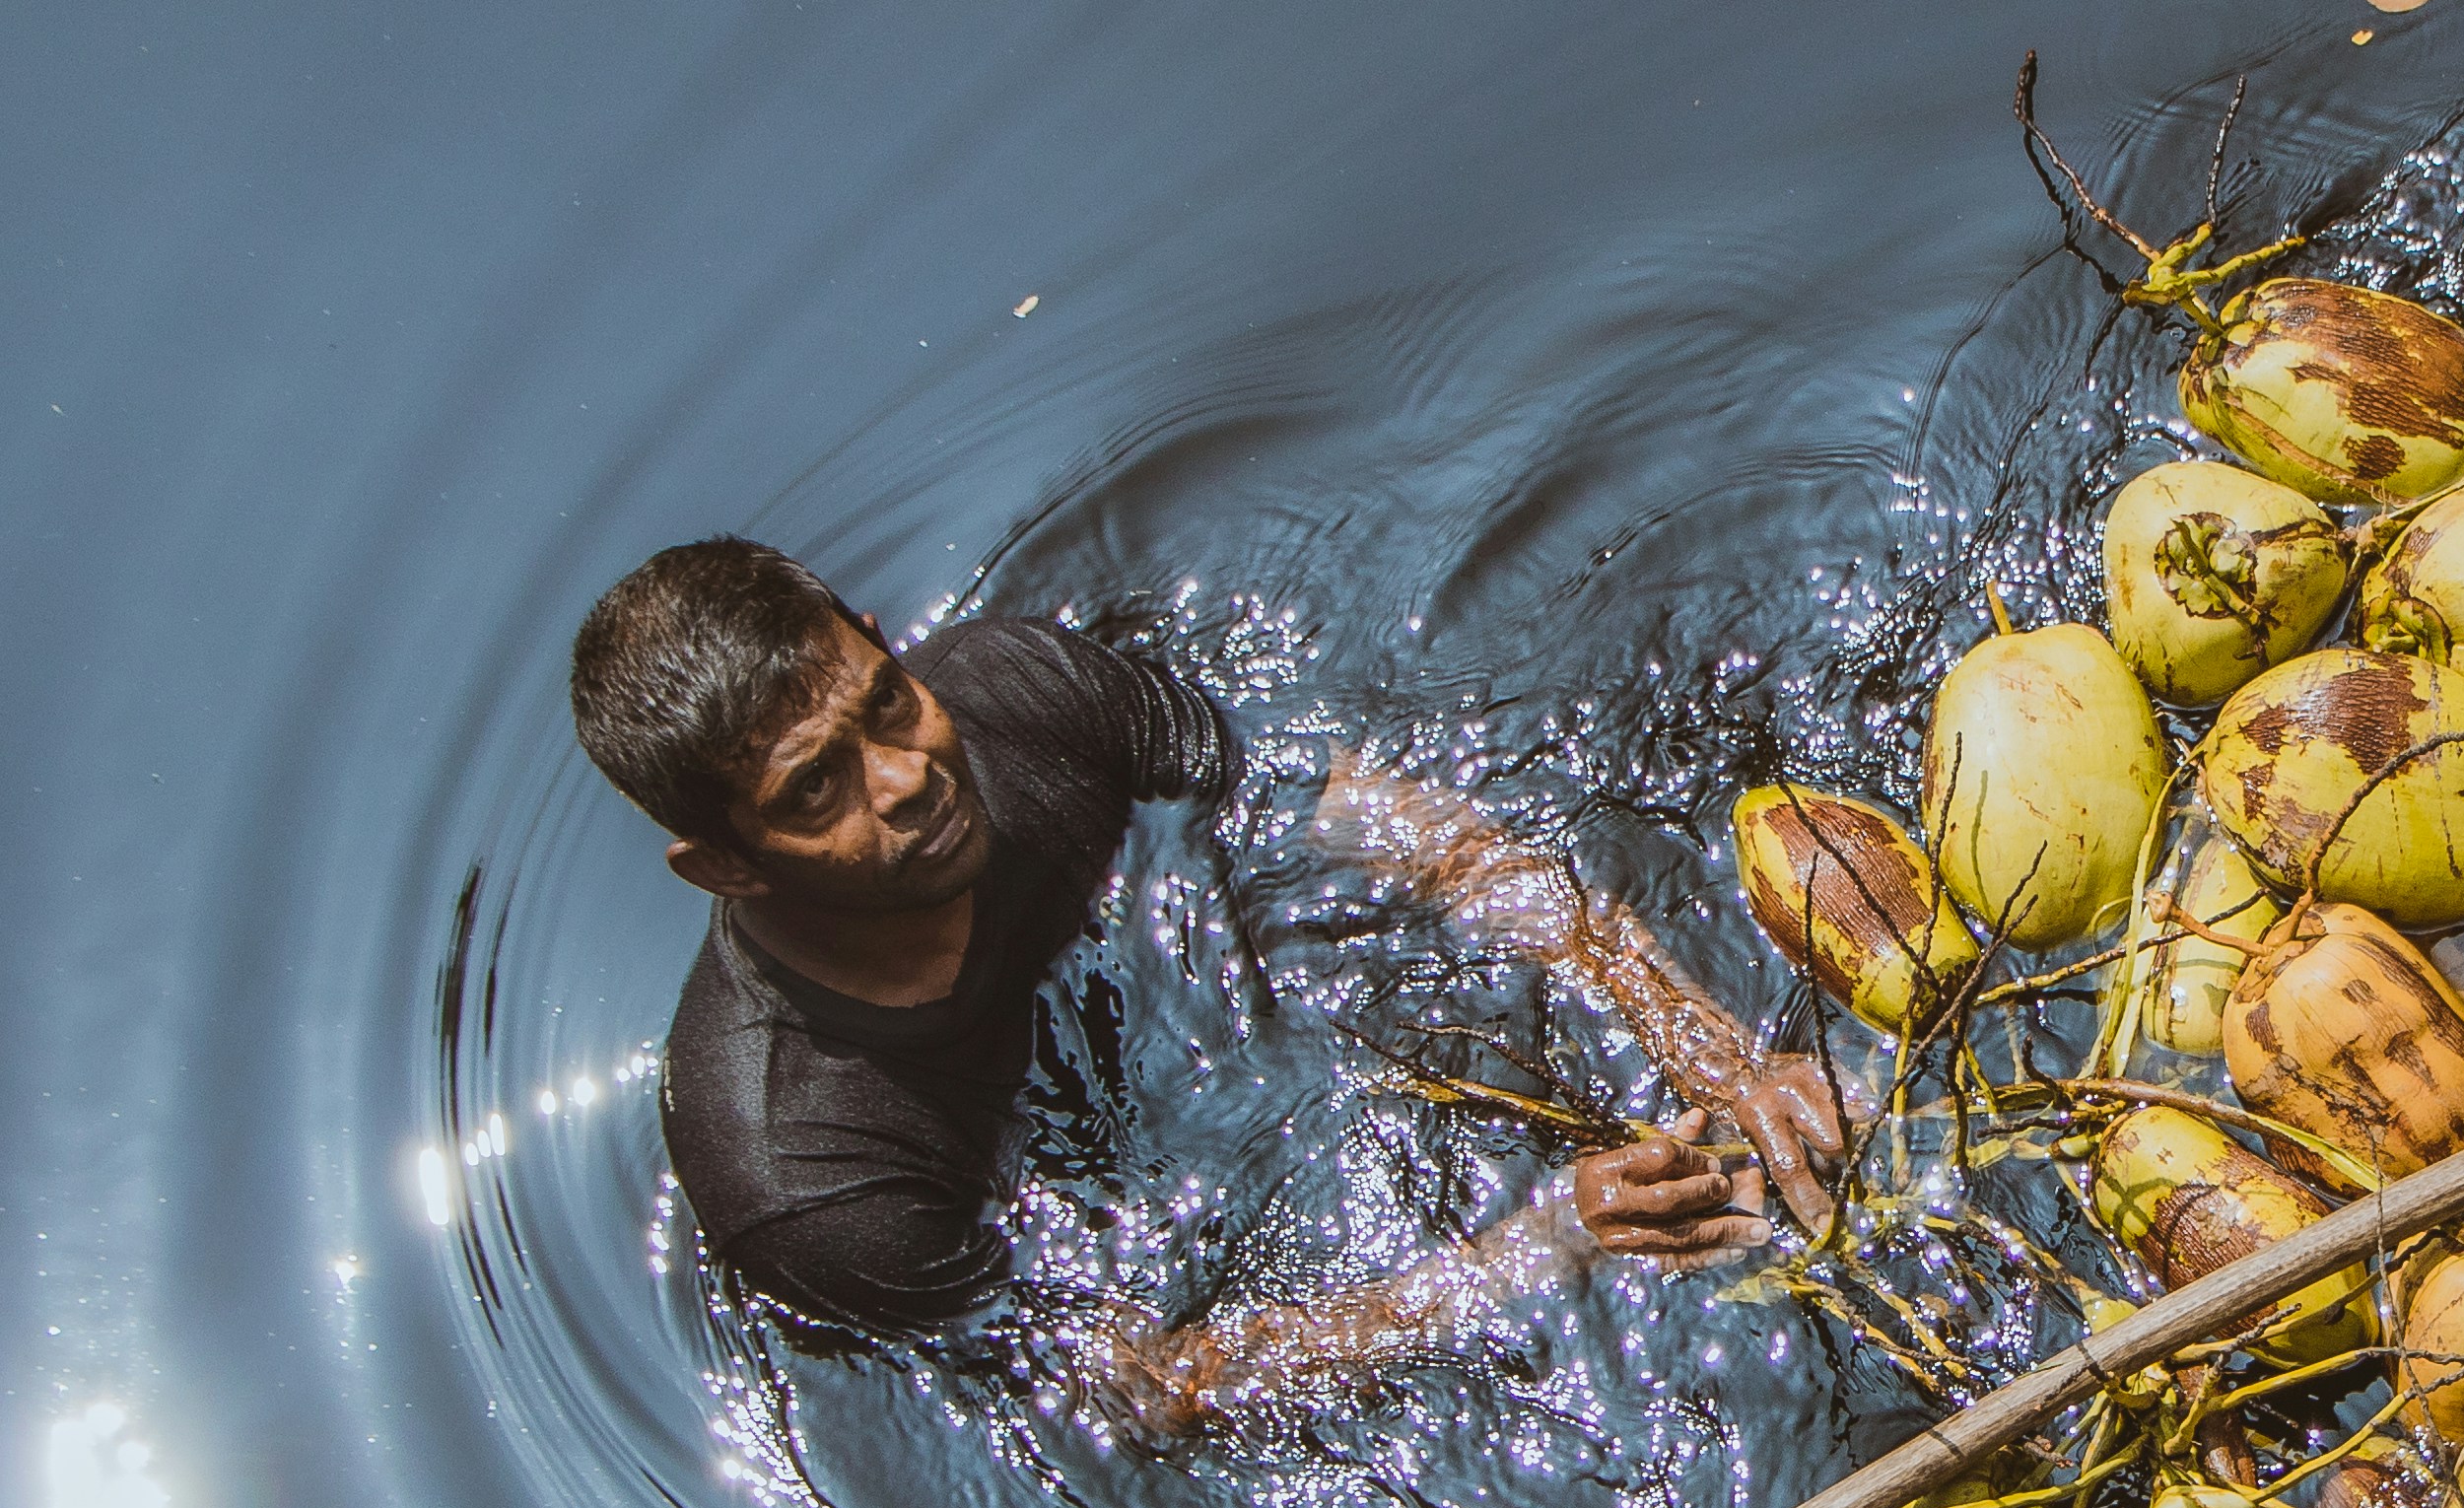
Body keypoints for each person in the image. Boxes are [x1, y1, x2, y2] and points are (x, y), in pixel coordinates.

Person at [564, 540, 1848, 1407]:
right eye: (815, 789)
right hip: (1065, 1201)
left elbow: (1405, 830)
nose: (905, 779)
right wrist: (1536, 1246)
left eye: (884, 703)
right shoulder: (805, 1169)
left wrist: (1705, 1043)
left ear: (885, 644)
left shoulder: (1022, 689)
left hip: (1166, 982)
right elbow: (1156, 1387)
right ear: (727, 868)